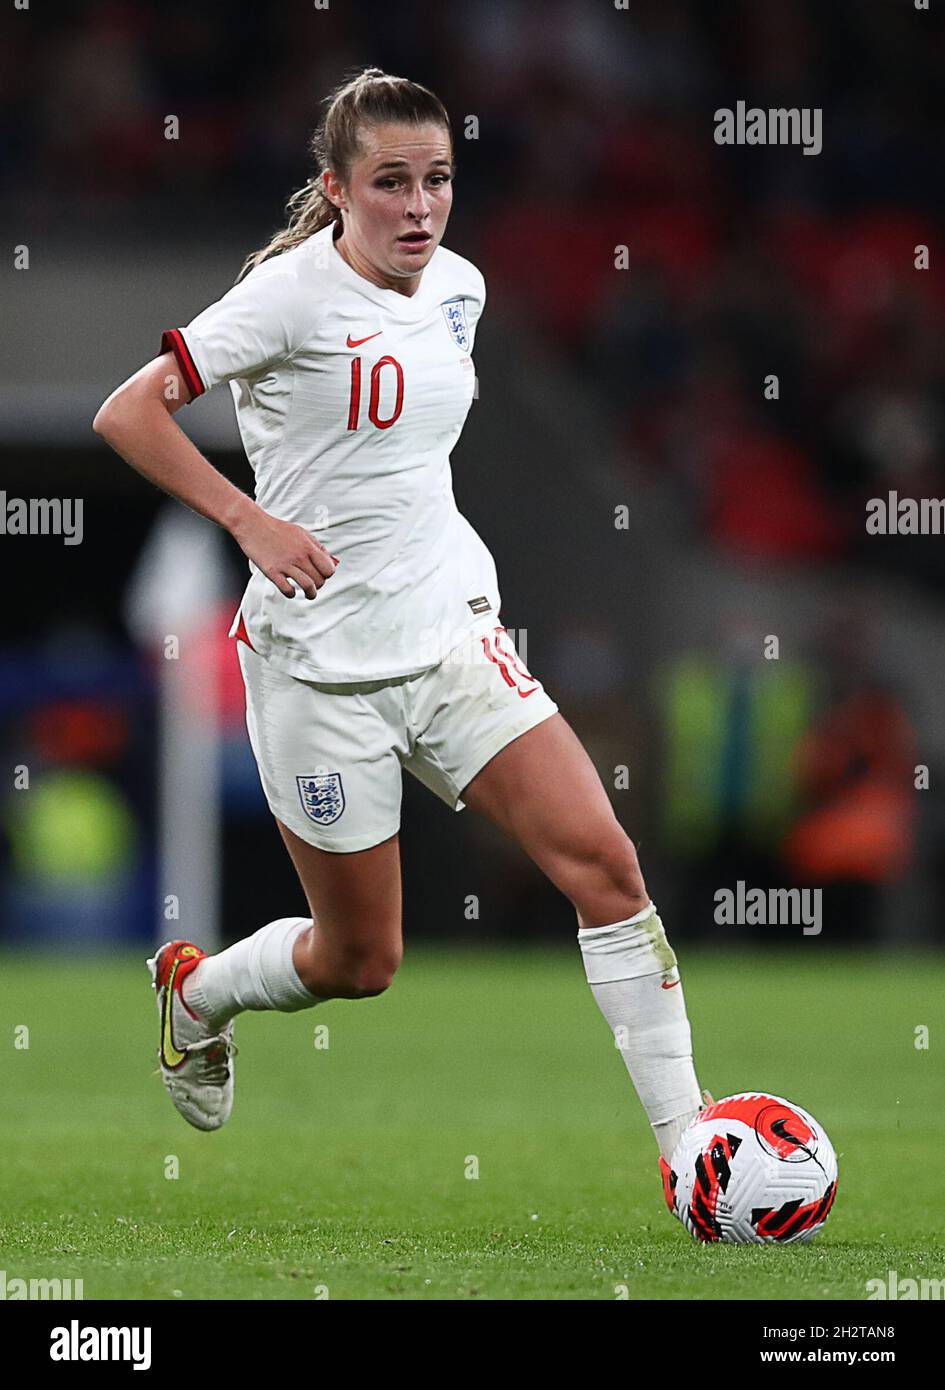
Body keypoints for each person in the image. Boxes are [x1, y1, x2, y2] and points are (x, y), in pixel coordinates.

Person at [92, 67, 708, 1199]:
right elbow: (125, 412)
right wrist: (250, 519)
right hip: (318, 669)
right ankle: (198, 993)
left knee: (607, 865)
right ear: (336, 190)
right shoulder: (286, 298)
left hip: (449, 638)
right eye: (391, 183)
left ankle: (692, 1153)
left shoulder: (460, 290)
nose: (420, 206)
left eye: (438, 181)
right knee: (360, 961)